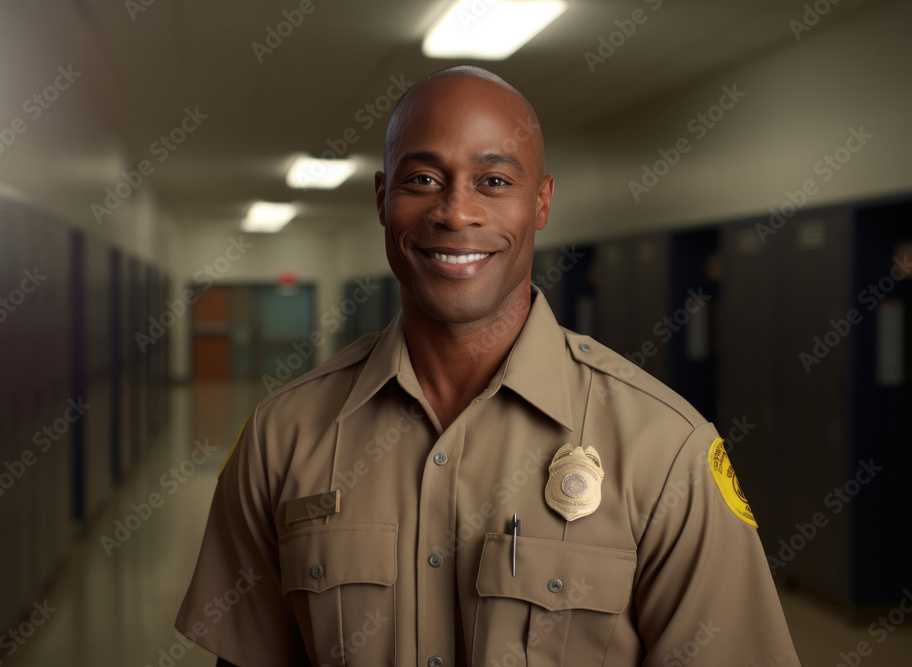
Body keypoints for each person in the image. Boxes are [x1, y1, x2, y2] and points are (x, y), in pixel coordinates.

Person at [176, 65, 801, 666]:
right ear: (381, 198)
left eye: (494, 182)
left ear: (542, 203)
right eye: (422, 179)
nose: (455, 212)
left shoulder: (665, 450)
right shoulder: (282, 435)